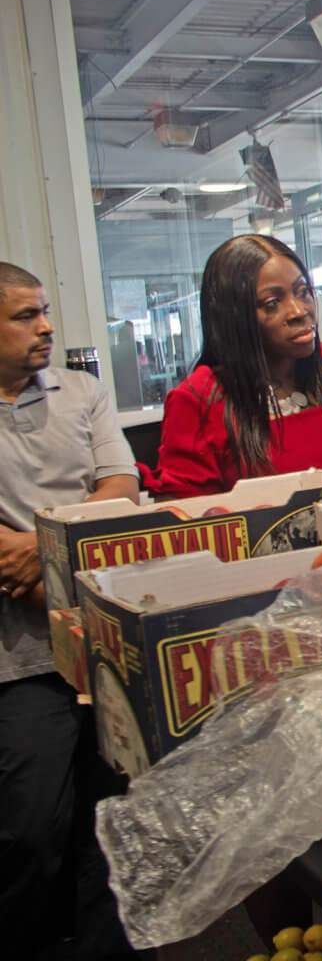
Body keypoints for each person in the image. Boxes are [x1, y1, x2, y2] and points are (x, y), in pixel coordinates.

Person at [0, 262, 140, 959]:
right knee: (31, 827)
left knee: (115, 817)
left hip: (101, 639)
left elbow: (121, 487)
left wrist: (41, 546)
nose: (47, 327)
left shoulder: (81, 392)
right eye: (26, 316)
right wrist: (55, 548)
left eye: (45, 311)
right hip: (19, 659)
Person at [148, 235, 322, 497]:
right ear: (234, 317)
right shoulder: (199, 399)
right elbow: (186, 515)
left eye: (303, 292)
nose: (299, 311)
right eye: (272, 303)